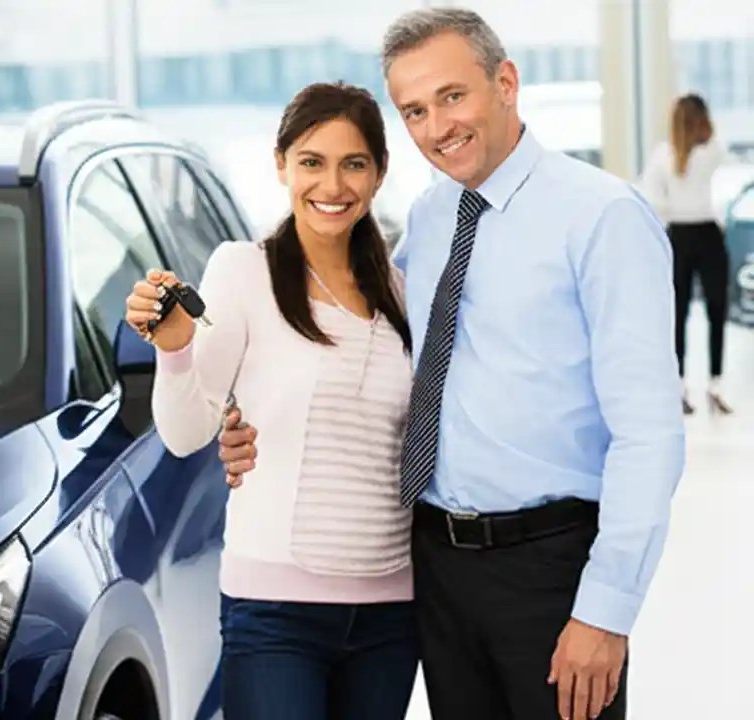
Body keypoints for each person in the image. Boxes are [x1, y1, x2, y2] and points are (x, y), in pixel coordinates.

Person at [216, 8, 686, 720]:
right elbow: (368, 353)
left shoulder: (601, 216)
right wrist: (246, 418)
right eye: (414, 111)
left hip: (550, 570)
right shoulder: (430, 221)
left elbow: (650, 434)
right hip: (434, 571)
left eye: (452, 97)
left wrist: (607, 610)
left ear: (505, 82)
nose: (437, 127)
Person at [123, 82, 418, 719]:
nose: (332, 185)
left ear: (380, 173)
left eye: (354, 163)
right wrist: (173, 351)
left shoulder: (401, 290)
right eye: (312, 161)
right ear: (281, 163)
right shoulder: (243, 270)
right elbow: (185, 433)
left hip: (392, 614)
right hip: (277, 613)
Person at [639, 93, 736, 415]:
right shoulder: (712, 150)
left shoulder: (662, 156)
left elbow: (653, 198)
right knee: (715, 310)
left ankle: (679, 386)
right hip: (707, 234)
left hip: (678, 236)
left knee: (677, 314)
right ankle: (715, 383)